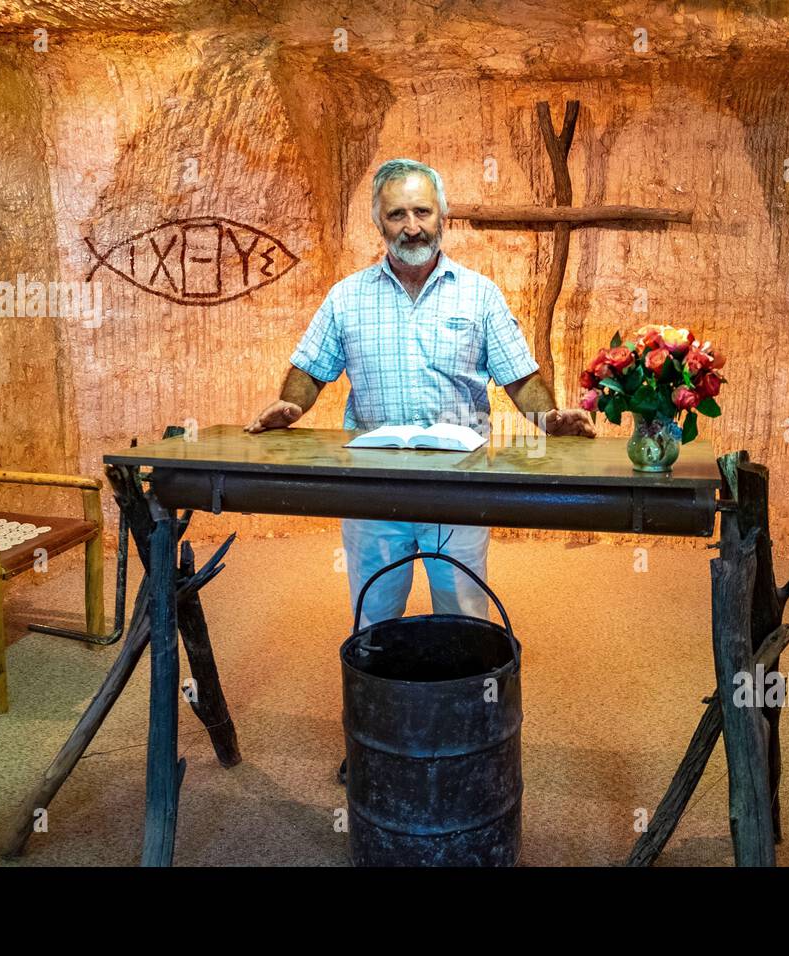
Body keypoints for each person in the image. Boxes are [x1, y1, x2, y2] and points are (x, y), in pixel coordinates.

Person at [248, 160, 595, 779]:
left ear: (444, 216)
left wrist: (549, 420)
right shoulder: (347, 296)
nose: (411, 226)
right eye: (397, 214)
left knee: (462, 616)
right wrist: (291, 403)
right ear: (378, 221)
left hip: (459, 488)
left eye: (422, 212)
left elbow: (520, 375)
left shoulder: (479, 294)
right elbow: (310, 367)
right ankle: (371, 744)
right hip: (374, 487)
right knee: (374, 617)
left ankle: (469, 746)